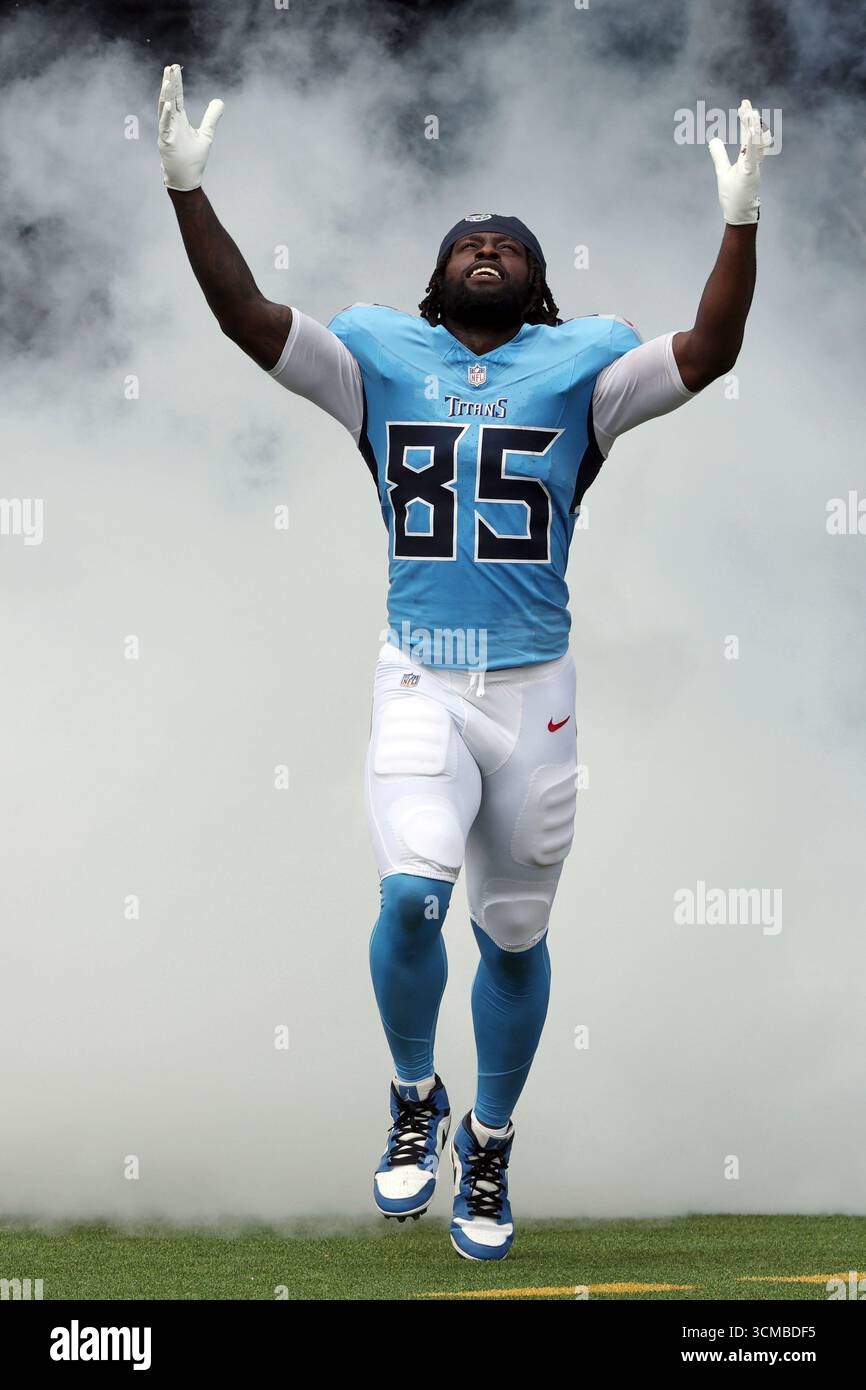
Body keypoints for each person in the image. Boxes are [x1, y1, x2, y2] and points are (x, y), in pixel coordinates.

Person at [158, 64, 771, 1261]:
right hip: (420, 678)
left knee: (510, 936)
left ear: (539, 285)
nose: (483, 249)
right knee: (407, 897)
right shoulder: (380, 357)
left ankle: (487, 1138)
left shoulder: (582, 365)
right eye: (464, 242)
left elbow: (709, 348)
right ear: (434, 277)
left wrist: (738, 221)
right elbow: (249, 321)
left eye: (507, 245)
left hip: (536, 695)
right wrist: (188, 194)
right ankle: (410, 1098)